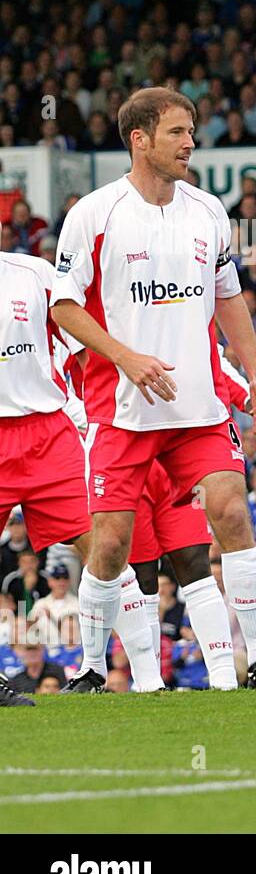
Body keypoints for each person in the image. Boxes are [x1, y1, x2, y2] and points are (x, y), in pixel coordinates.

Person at [49, 88, 256, 691]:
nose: (190, 143)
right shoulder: (94, 213)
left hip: (197, 407)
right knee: (110, 544)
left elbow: (229, 298)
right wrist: (125, 357)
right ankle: (93, 668)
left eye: (191, 131)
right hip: (122, 409)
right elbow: (64, 306)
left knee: (233, 510)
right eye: (178, 132)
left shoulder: (207, 209)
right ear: (140, 140)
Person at [0, 250, 93, 617]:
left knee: (103, 545)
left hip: (47, 429)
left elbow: (83, 347)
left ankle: (142, 672)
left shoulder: (35, 272)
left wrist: (100, 406)